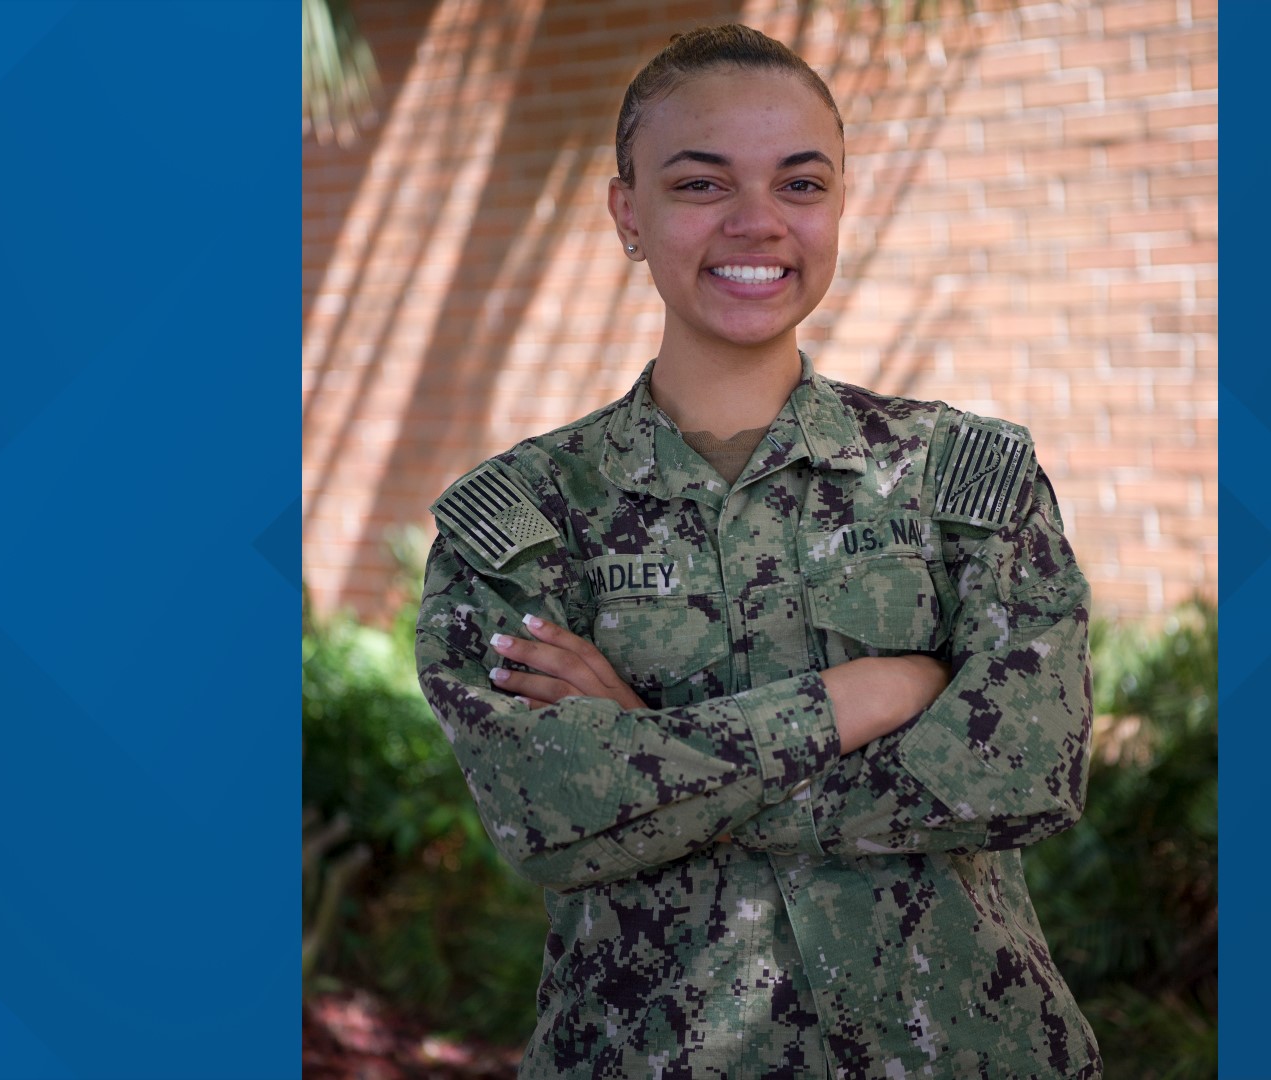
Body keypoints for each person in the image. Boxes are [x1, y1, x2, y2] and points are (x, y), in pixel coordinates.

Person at [416, 24, 1100, 1079]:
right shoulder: (526, 518)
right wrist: (861, 699)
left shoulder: (960, 479)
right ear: (627, 213)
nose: (758, 222)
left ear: (837, 205)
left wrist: (649, 749)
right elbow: (546, 813)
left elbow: (1019, 771)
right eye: (700, 184)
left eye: (802, 182)